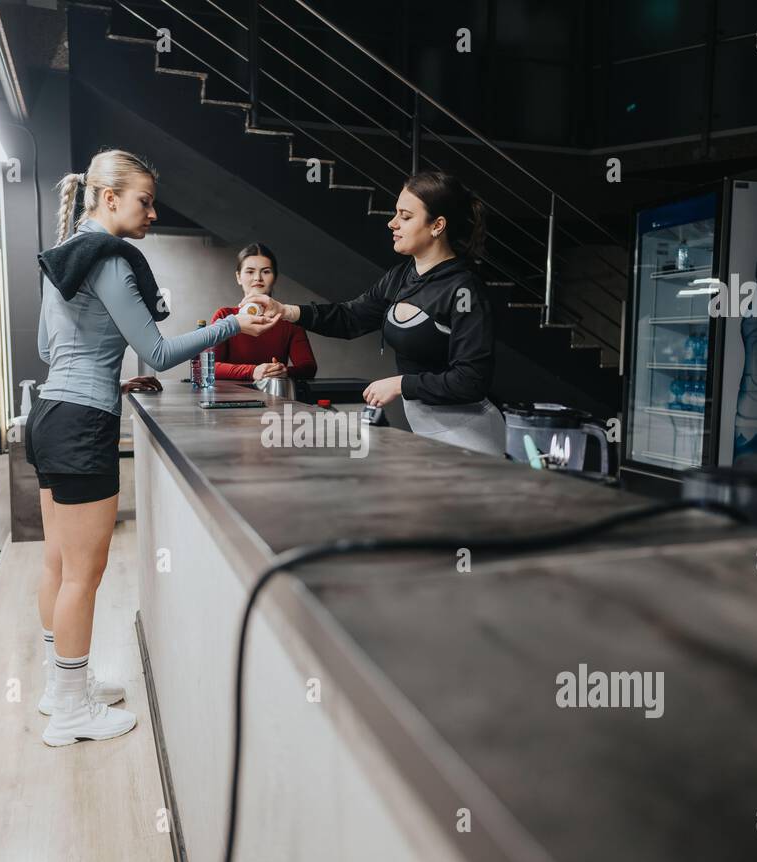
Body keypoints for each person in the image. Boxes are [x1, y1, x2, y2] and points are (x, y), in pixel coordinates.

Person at [26, 149, 276, 747]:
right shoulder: (110, 259)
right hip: (83, 423)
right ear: (109, 199)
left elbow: (47, 348)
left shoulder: (63, 257)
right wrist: (235, 324)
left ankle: (59, 689)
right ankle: (70, 712)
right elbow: (160, 353)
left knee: (58, 567)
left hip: (49, 414)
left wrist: (108, 377)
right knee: (82, 576)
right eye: (144, 200)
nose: (153, 212)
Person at [240, 170, 505, 456]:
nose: (393, 224)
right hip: (430, 433)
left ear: (437, 225)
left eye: (405, 216)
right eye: (395, 214)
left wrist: (401, 384)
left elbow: (471, 381)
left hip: (472, 436)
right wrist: (286, 310)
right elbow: (350, 318)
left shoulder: (464, 289)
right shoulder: (401, 277)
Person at [208, 242, 317, 382]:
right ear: (238, 277)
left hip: (275, 399)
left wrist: (284, 371)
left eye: (266, 271)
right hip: (229, 399)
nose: (257, 278)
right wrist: (252, 371)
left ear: (275, 277)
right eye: (250, 271)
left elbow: (308, 368)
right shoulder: (224, 316)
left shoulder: (289, 318)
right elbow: (209, 367)